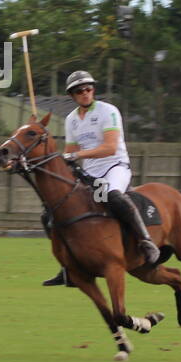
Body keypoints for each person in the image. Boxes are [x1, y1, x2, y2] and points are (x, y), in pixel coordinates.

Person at [42, 71, 157, 286]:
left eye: (88, 88)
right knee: (53, 211)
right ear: (72, 95)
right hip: (90, 174)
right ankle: (68, 266)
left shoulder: (108, 111)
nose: (85, 93)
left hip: (115, 166)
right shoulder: (72, 120)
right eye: (79, 91)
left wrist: (77, 155)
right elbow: (70, 152)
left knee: (113, 195)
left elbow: (109, 147)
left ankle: (146, 242)